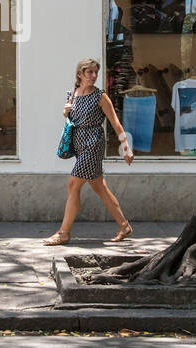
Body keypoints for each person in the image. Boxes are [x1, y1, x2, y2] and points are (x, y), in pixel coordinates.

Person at [43, 58, 134, 245]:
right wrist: (65, 111)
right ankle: (124, 226)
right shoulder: (72, 93)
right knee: (99, 187)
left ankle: (64, 233)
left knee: (72, 185)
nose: (93, 76)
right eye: (89, 72)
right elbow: (70, 117)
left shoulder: (100, 96)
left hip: (93, 143)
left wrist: (126, 147)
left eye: (95, 72)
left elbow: (115, 122)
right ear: (80, 74)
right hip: (78, 143)